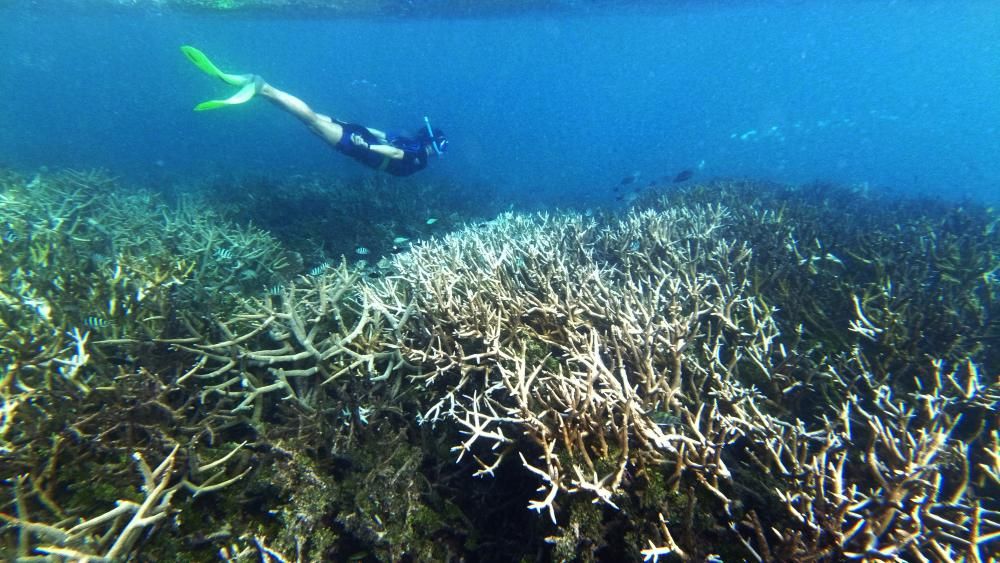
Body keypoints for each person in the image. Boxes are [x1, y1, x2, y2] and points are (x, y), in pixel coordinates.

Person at [181, 45, 447, 177]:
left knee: (308, 120)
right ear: (432, 142)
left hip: (361, 134)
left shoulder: (412, 141)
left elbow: (382, 133)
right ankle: (262, 87)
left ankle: (260, 89)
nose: (441, 152)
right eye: (442, 146)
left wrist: (343, 122)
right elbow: (394, 152)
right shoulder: (419, 157)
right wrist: (366, 148)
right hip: (362, 146)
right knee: (308, 119)